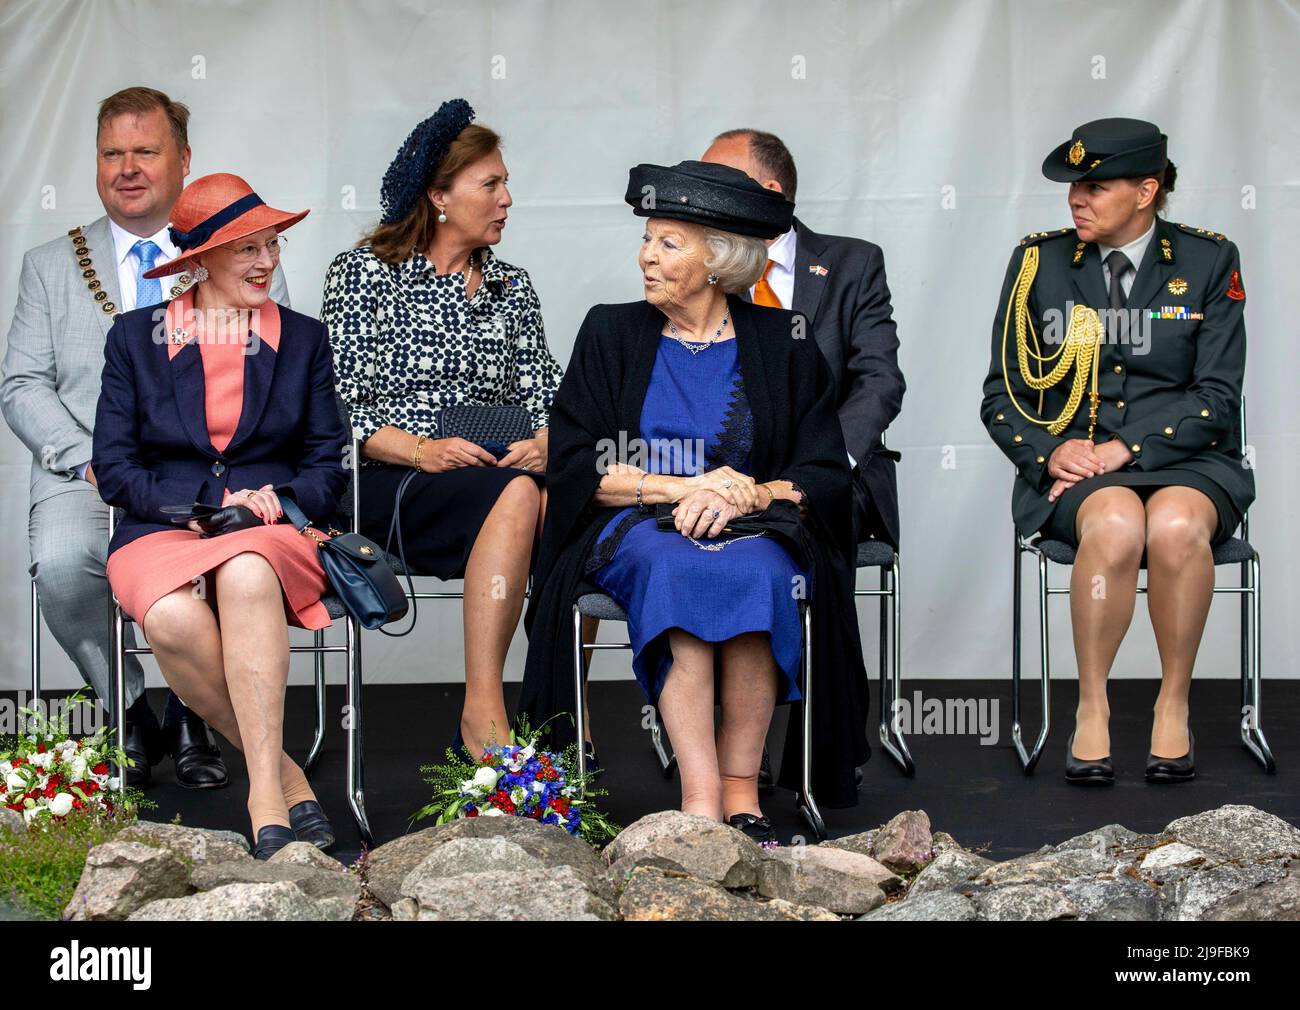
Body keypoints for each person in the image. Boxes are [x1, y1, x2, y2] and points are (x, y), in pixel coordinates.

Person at [517, 161, 871, 839]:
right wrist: (688, 487)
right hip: (636, 520)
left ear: (719, 259)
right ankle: (701, 794)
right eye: (648, 239)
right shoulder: (611, 332)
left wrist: (749, 490)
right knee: (677, 566)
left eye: (668, 243)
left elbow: (822, 467)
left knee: (760, 573)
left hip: (750, 524)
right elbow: (574, 462)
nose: (646, 255)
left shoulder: (783, 342)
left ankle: (744, 792)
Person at [0, 86, 286, 789]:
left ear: (183, 161)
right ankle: (129, 707)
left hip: (208, 472)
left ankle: (199, 714)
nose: (127, 167)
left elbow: (278, 368)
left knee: (226, 553)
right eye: (111, 153)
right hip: (85, 476)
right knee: (65, 568)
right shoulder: (48, 263)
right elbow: (22, 385)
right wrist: (92, 461)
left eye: (146, 151)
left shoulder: (239, 252)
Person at [980, 118, 1254, 786]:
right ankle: (1093, 705)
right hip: (1080, 469)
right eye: (1074, 184)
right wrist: (1048, 453)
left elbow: (1218, 394)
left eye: (1096, 185)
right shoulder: (1039, 262)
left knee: (1178, 526)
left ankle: (1173, 702)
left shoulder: (1208, 260)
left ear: (1146, 191)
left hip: (1191, 458)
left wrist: (1126, 447)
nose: (1076, 197)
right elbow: (1003, 393)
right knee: (1117, 523)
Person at [93, 172, 347, 858]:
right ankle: (289, 776)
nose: (267, 262)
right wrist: (201, 509)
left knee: (244, 569)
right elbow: (116, 470)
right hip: (164, 527)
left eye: (273, 245)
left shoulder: (303, 339)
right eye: (247, 249)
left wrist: (277, 502)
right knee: (170, 616)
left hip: (271, 531)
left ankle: (261, 798)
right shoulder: (133, 339)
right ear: (199, 259)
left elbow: (329, 465)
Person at [321, 99, 562, 759]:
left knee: (571, 500)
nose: (508, 198)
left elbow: (548, 387)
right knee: (522, 495)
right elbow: (344, 404)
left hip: (494, 472)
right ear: (440, 196)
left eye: (505, 182)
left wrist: (546, 440)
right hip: (391, 481)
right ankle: (483, 714)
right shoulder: (364, 274)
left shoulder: (514, 286)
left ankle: (567, 717)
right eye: (492, 184)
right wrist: (421, 450)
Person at [701, 127, 906, 793]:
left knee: (811, 521)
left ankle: (820, 754)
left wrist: (816, 467)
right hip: (723, 473)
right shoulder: (695, 263)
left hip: (829, 478)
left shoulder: (850, 263)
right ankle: (728, 748)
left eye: (716, 181)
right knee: (707, 535)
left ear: (767, 193)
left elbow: (879, 382)